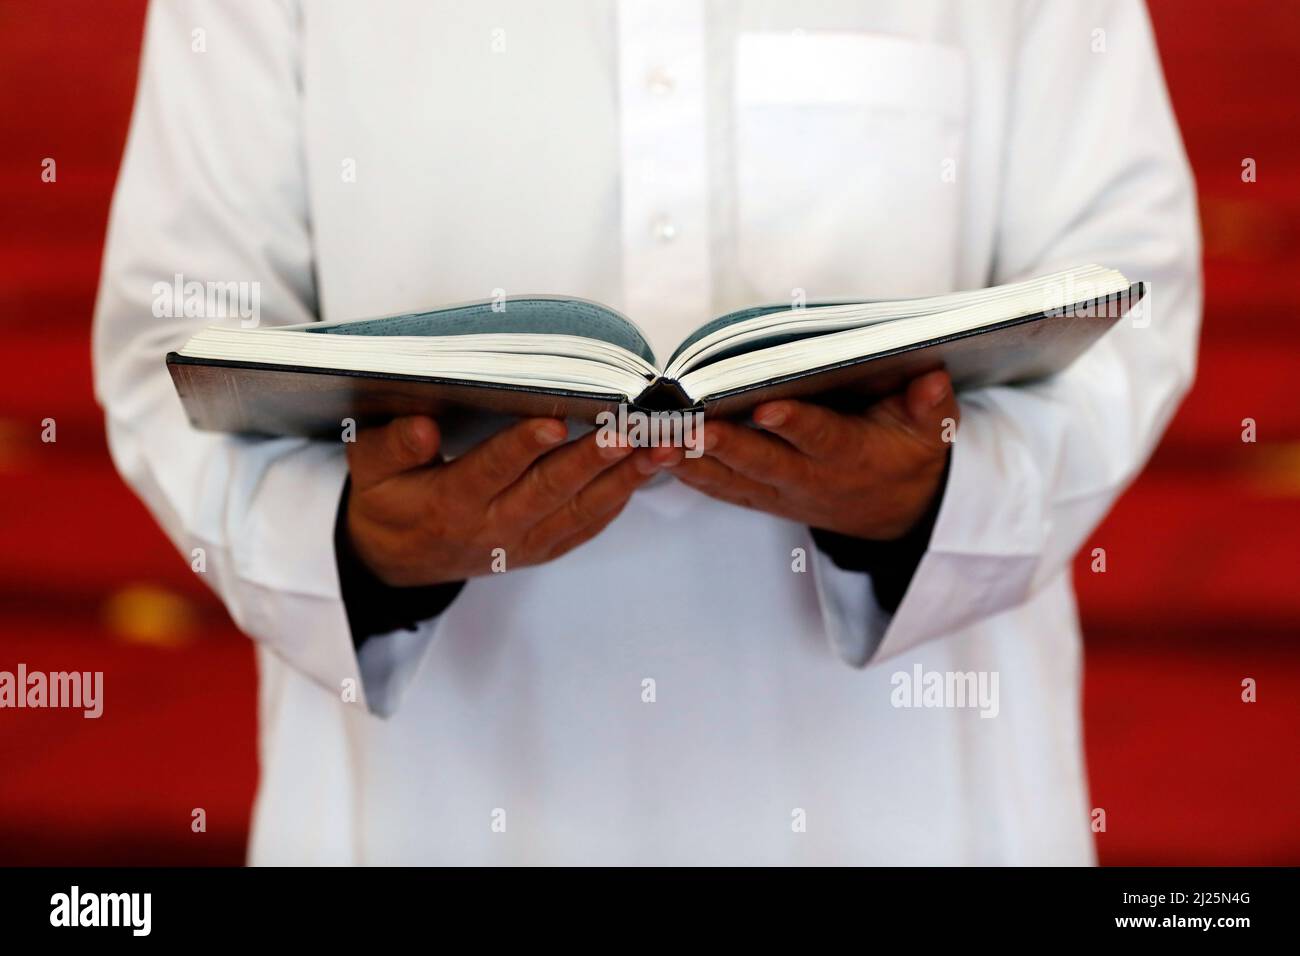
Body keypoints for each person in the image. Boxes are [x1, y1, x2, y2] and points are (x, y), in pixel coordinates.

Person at [93, 0, 1200, 864]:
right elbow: (175, 342)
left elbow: (1128, 293)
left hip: (913, 798)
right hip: (431, 801)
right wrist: (355, 543)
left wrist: (943, 497)